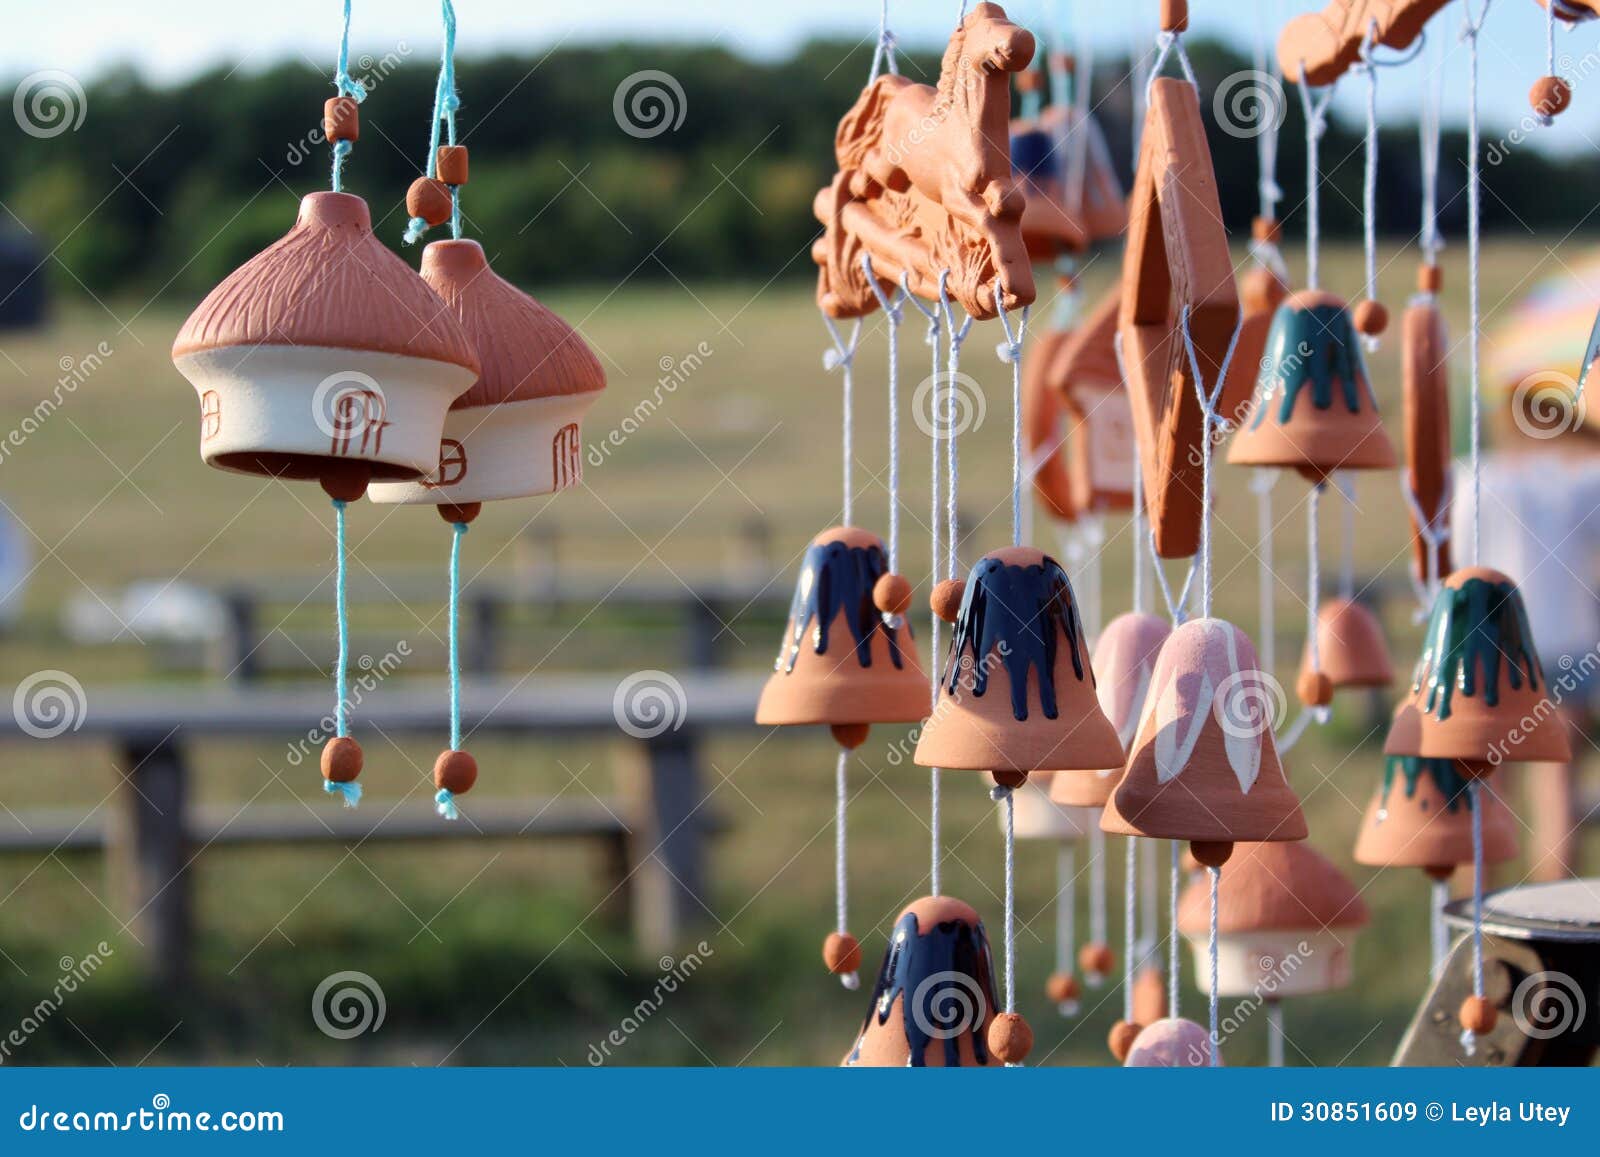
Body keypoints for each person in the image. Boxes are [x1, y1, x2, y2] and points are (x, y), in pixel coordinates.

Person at [1452, 390, 1600, 880]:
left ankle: (1479, 918)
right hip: (1569, 644)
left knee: (1488, 789)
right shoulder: (1585, 479)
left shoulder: (1476, 475)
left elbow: (1456, 559)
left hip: (1492, 649)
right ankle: (1552, 921)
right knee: (1558, 789)